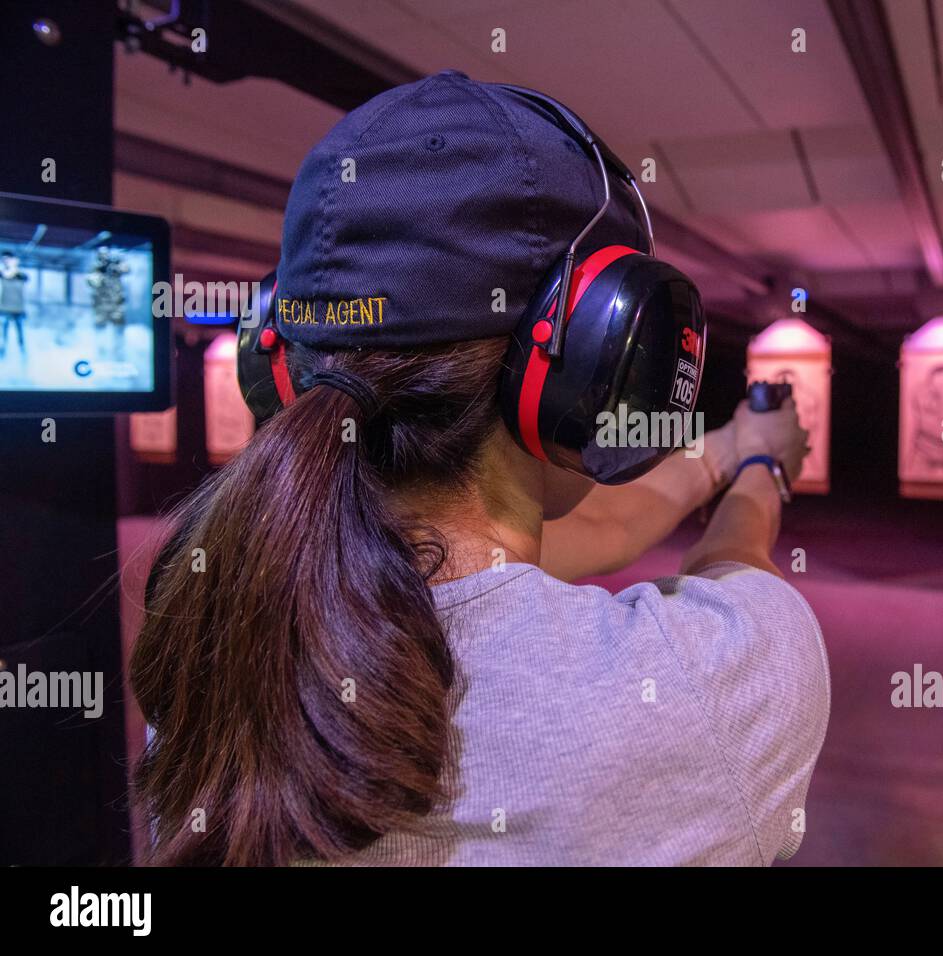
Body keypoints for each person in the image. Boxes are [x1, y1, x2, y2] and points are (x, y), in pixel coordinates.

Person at [131, 71, 829, 867]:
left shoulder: (218, 631)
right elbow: (736, 571)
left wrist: (731, 451)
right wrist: (762, 472)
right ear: (592, 358)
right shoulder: (706, 691)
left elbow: (598, 529)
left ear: (282, 362)